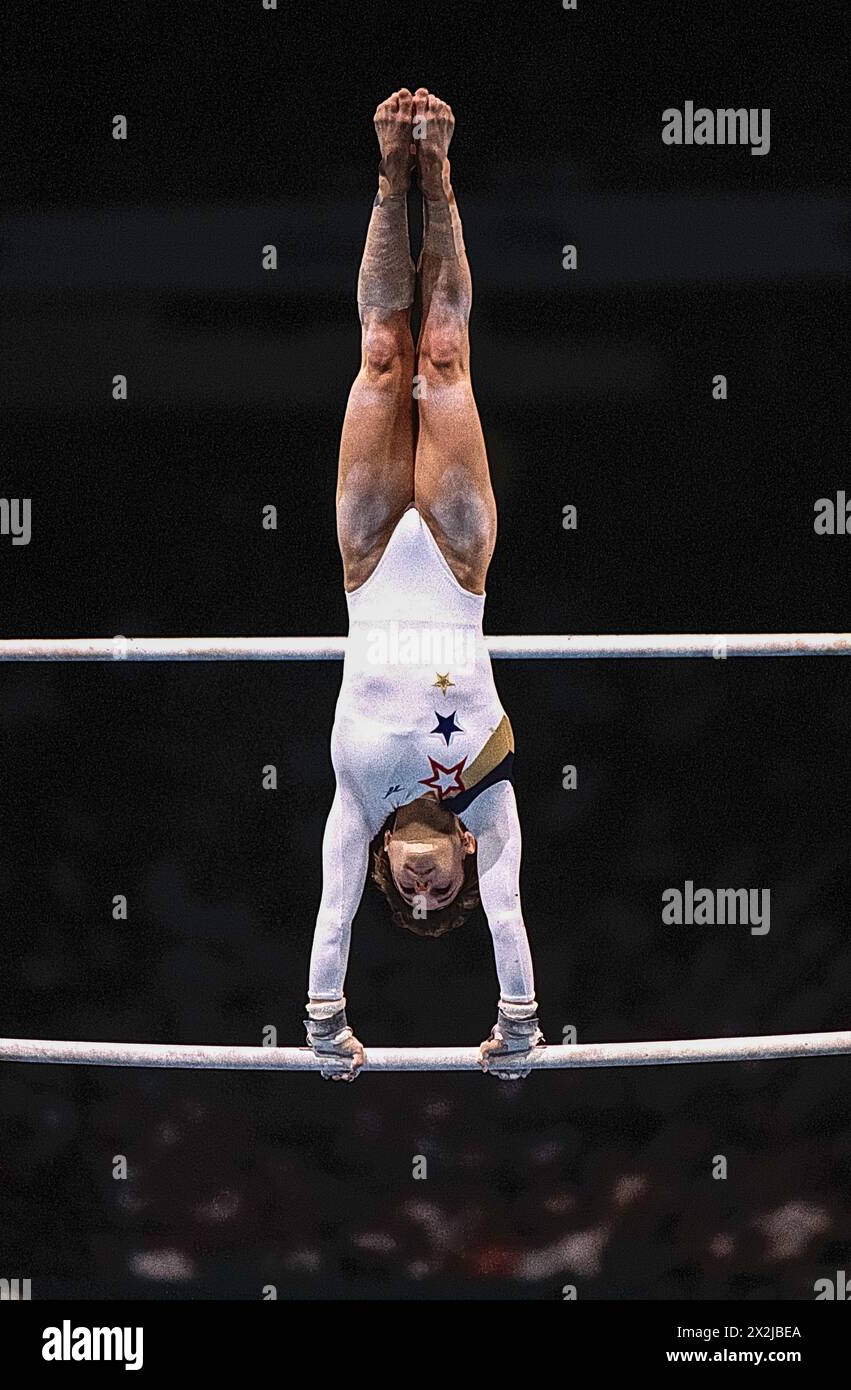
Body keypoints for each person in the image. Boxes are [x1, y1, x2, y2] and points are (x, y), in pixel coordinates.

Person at [305, 88, 542, 1081]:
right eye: (439, 898)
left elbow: (327, 926)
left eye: (410, 901)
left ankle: (383, 171)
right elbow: (512, 917)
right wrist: (520, 1025)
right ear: (462, 868)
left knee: (378, 356)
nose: (424, 889)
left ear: (380, 876)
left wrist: (324, 1026)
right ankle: (436, 174)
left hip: (367, 568)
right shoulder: (483, 803)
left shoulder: (355, 807)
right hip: (453, 565)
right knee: (443, 359)